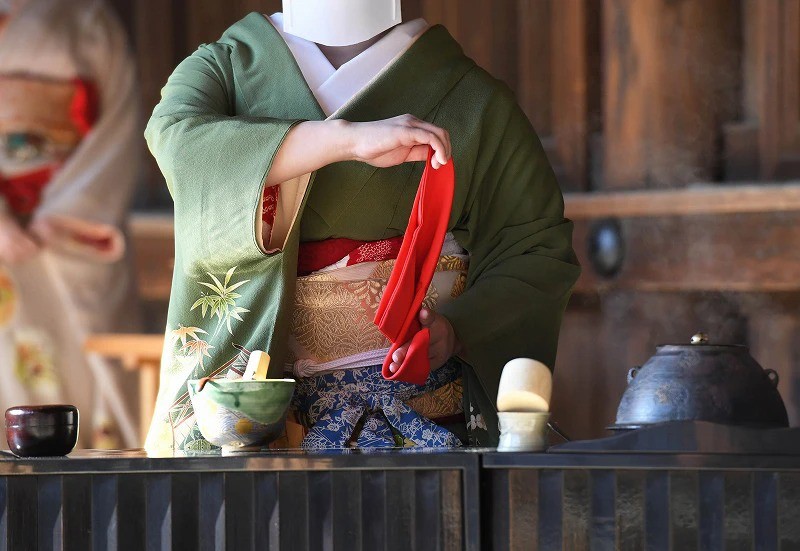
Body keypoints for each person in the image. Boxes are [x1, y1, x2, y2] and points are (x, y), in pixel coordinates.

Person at [145, 0, 580, 453]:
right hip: (267, 423)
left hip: (424, 418)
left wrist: (455, 330)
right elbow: (177, 143)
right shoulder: (228, 67)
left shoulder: (471, 98)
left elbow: (534, 251)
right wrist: (345, 140)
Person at [0, 0, 141, 448]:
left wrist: (64, 217)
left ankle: (97, 468)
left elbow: (117, 127)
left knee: (90, 353)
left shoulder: (90, 17)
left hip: (75, 224)